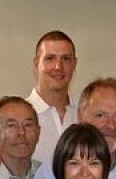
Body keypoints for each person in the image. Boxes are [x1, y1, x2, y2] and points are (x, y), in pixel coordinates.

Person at [25, 30, 78, 159]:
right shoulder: (19, 119)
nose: (58, 66)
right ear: (36, 63)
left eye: (66, 59)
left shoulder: (85, 116)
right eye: (50, 58)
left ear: (74, 64)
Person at [0, 95, 43, 179]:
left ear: (38, 132)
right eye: (11, 125)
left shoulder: (49, 176)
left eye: (28, 125)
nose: (21, 132)